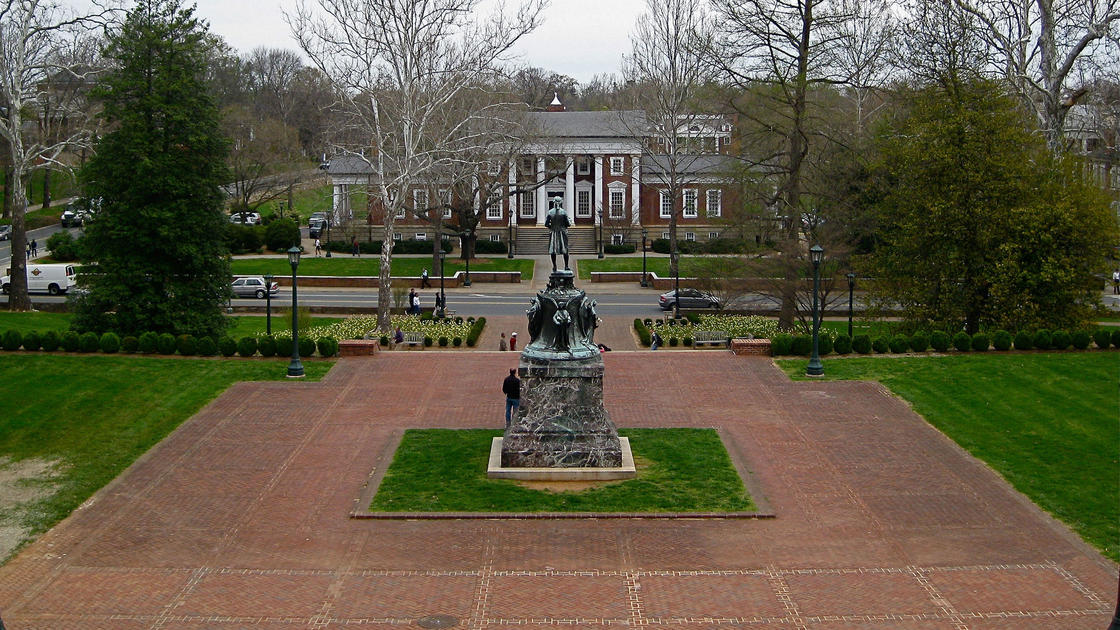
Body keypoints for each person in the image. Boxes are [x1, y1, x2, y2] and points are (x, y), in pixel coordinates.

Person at [544, 197, 570, 272]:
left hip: (553, 232)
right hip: (562, 232)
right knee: (565, 249)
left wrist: (551, 227)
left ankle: (554, 266)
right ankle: (566, 266)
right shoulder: (564, 212)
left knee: (553, 250)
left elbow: (546, 224)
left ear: (554, 202)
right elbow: (568, 224)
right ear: (561, 202)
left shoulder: (550, 212)